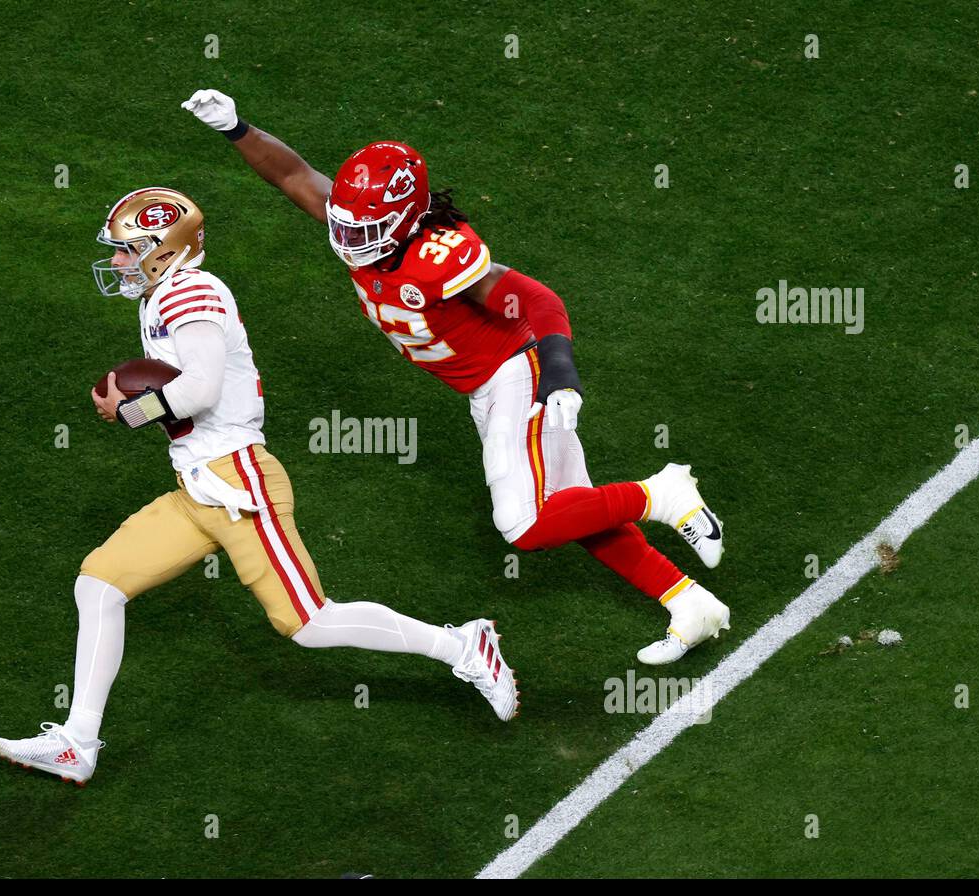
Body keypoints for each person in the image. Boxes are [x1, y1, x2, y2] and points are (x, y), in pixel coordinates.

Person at [182, 90, 730, 666]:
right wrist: (237, 128)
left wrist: (559, 372)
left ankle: (661, 494)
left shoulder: (439, 255)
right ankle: (690, 603)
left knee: (523, 523)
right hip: (485, 387)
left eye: (364, 228)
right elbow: (293, 173)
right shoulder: (364, 224)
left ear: (408, 217)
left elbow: (536, 299)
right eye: (344, 223)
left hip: (517, 376)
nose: (348, 241)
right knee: (573, 507)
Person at [0, 187, 518, 787]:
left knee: (309, 623)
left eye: (126, 251)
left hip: (239, 485)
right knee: (100, 582)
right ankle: (77, 743)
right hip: (197, 488)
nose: (116, 263)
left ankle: (464, 647)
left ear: (161, 250)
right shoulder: (165, 293)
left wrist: (130, 412)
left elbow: (200, 392)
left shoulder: (192, 291)